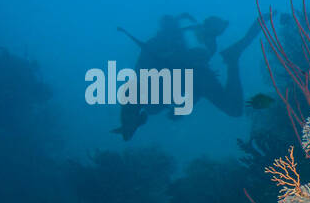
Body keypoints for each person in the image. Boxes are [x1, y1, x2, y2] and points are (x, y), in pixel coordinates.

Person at [112, 14, 262, 139]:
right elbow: (195, 80)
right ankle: (232, 59)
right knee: (234, 109)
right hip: (197, 77)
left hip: (180, 80)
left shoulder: (157, 43)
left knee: (142, 100)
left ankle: (129, 126)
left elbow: (139, 75)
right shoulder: (203, 41)